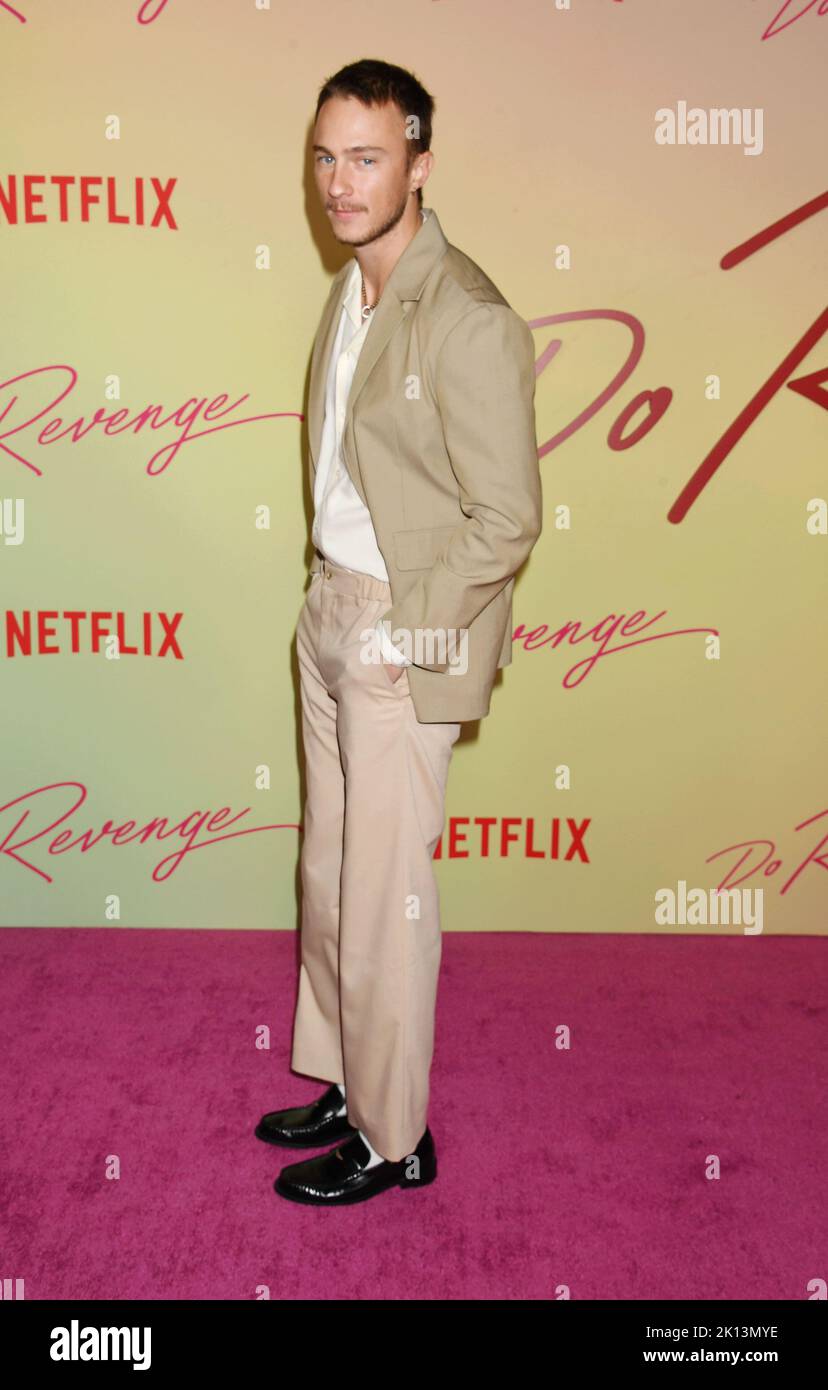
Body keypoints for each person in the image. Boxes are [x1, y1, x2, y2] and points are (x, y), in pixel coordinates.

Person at [255, 57, 543, 1205]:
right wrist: (329, 608)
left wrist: (399, 634)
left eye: (367, 157)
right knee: (329, 877)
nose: (340, 181)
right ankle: (342, 1078)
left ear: (420, 164)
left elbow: (508, 519)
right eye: (326, 157)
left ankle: (396, 1138)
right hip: (329, 609)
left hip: (396, 636)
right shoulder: (356, 287)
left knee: (385, 901)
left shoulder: (466, 316)